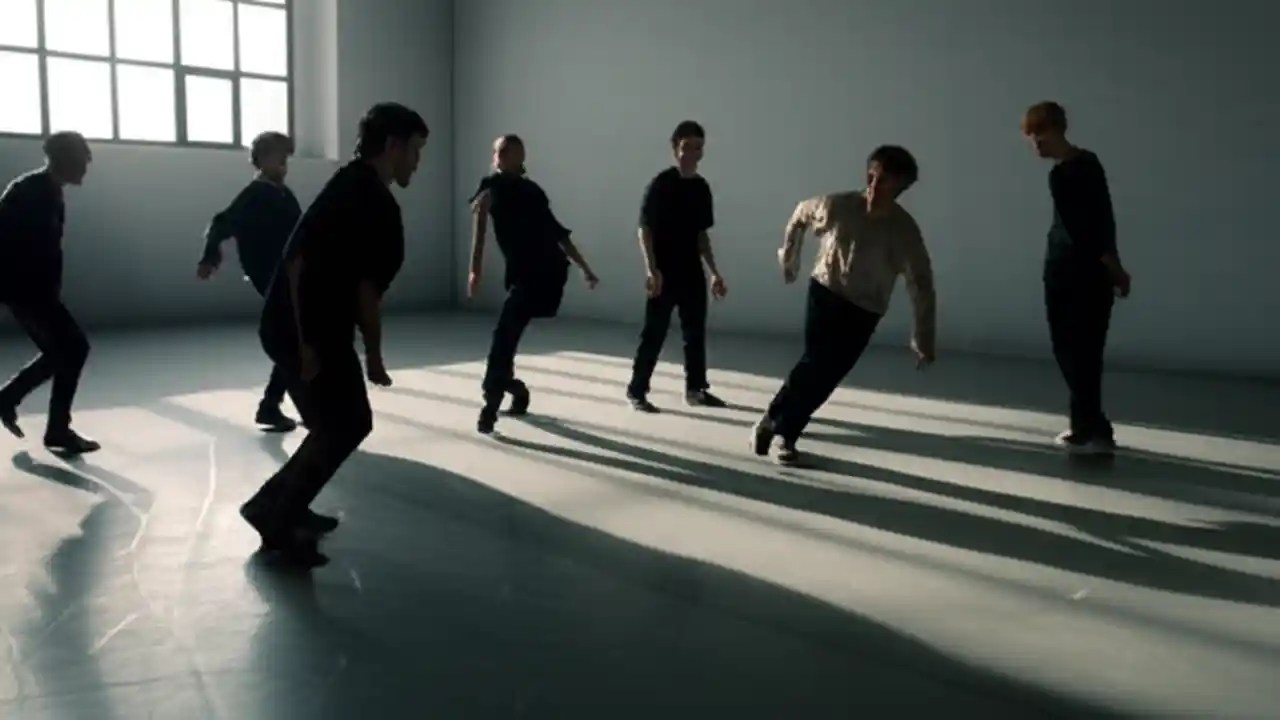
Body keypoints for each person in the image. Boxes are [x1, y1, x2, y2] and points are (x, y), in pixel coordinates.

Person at [240, 103, 429, 567]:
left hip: (306, 325)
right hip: (304, 329)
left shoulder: (352, 184)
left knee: (333, 425)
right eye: (416, 150)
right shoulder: (369, 198)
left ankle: (277, 505)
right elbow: (323, 273)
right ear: (392, 145)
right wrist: (353, 353)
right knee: (346, 424)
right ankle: (276, 520)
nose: (417, 162)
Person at [751, 145, 937, 466]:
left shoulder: (904, 231)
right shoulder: (837, 206)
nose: (879, 189)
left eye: (891, 184)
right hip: (825, 291)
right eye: (876, 178)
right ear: (869, 174)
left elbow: (920, 282)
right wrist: (789, 259)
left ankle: (777, 423)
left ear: (902, 187)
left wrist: (923, 334)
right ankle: (783, 431)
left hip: (865, 310)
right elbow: (800, 215)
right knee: (815, 362)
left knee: (828, 374)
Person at [467, 134, 599, 434]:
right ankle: (514, 391)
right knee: (507, 337)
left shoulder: (532, 192)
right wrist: (474, 271)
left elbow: (558, 233)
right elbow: (480, 231)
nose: (500, 156)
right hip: (524, 277)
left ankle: (491, 406)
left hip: (548, 274)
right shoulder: (491, 187)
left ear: (520, 156)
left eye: (507, 151)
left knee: (504, 336)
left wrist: (585, 268)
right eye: (498, 151)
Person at [1022, 101, 1131, 455]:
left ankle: (1089, 428)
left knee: (1071, 349)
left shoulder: (1065, 174)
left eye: (1039, 134)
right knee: (1086, 350)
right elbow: (1104, 219)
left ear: (1056, 130)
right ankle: (1090, 425)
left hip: (1069, 273)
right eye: (1031, 136)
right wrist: (1113, 264)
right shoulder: (1090, 163)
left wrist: (1111, 264)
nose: (1035, 143)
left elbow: (1083, 228)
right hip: (1088, 273)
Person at [0, 131, 100, 455]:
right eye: (83, 160)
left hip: (30, 289)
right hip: (26, 289)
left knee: (62, 352)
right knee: (74, 348)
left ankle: (11, 400)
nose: (86, 167)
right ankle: (56, 429)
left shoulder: (45, 190)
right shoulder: (34, 192)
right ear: (67, 160)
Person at [197, 131, 304, 431]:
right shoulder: (256, 193)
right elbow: (222, 222)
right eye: (277, 155)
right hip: (270, 274)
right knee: (293, 339)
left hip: (288, 274)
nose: (284, 161)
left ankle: (275, 405)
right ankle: (275, 406)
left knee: (295, 338)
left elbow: (301, 231)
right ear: (261, 160)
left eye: (287, 156)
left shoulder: (283, 193)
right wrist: (209, 255)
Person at [625, 120, 728, 413]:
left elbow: (700, 235)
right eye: (687, 147)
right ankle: (636, 391)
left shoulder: (701, 188)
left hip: (691, 270)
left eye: (698, 148)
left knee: (695, 333)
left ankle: (696, 389)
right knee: (654, 332)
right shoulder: (661, 184)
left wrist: (714, 273)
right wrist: (651, 268)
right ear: (675, 148)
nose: (693, 154)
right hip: (663, 271)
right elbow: (644, 228)